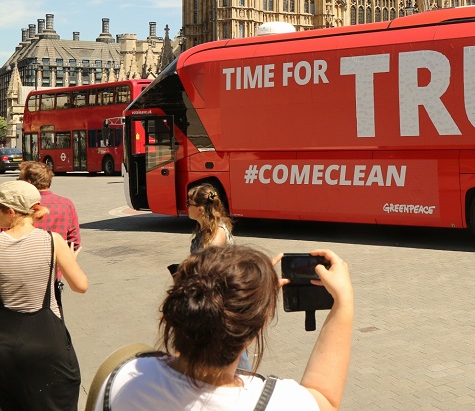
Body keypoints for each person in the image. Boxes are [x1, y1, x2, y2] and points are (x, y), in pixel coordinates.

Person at [96, 245, 353, 411]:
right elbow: (324, 400)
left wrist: (251, 306)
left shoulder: (121, 378)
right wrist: (344, 303)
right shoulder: (277, 403)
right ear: (256, 330)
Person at [0, 180, 88, 410]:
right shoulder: (52, 241)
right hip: (48, 344)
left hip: (6, 347)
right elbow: (81, 285)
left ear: (10, 212)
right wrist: (70, 262)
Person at [18, 161, 82, 310]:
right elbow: (75, 243)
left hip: (20, 279)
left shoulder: (20, 206)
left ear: (28, 182)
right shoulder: (66, 204)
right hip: (52, 278)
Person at [186, 183, 233, 252]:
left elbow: (213, 261)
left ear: (200, 209)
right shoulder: (204, 227)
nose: (187, 207)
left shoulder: (217, 235)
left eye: (188, 204)